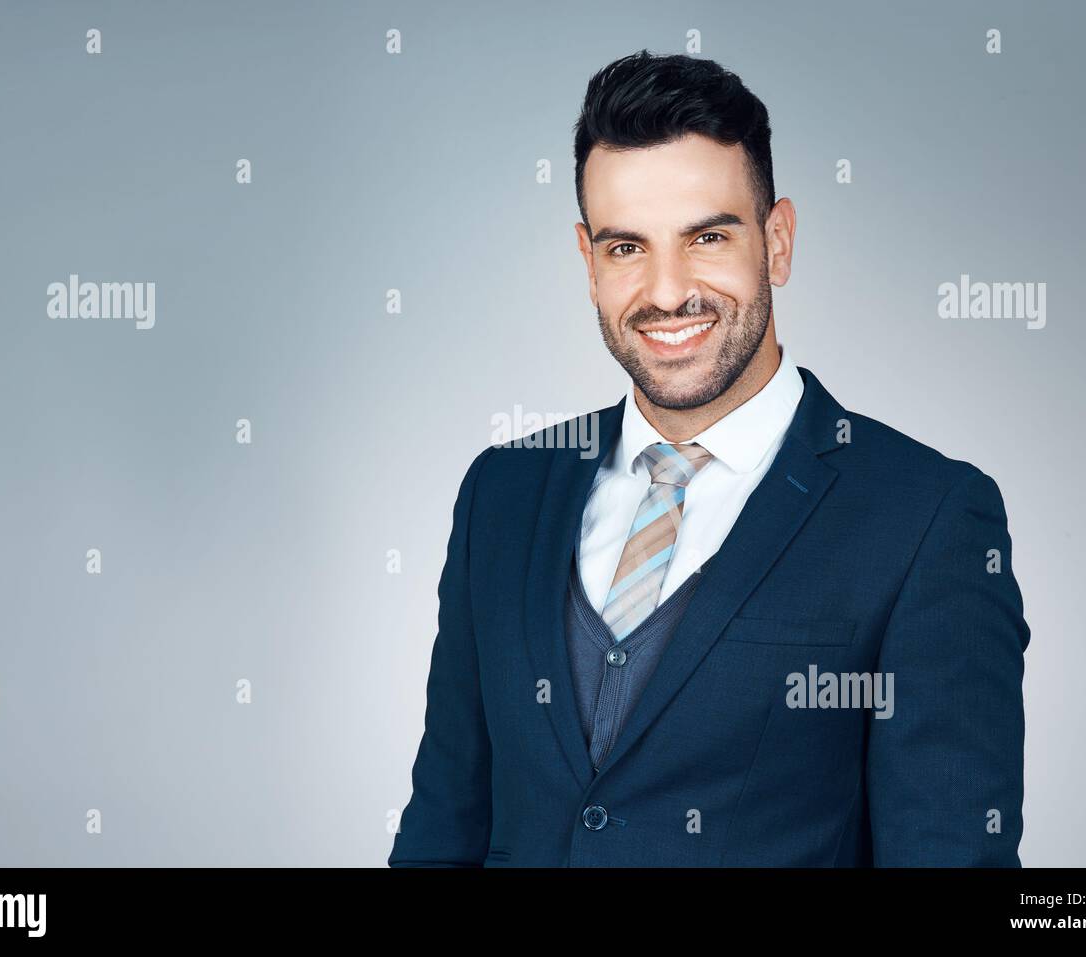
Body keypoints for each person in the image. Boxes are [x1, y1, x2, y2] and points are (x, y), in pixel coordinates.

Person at [389, 50, 1030, 867]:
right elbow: (443, 827)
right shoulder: (501, 494)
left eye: (708, 237)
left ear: (778, 240)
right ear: (588, 263)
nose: (666, 291)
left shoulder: (927, 518)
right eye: (627, 248)